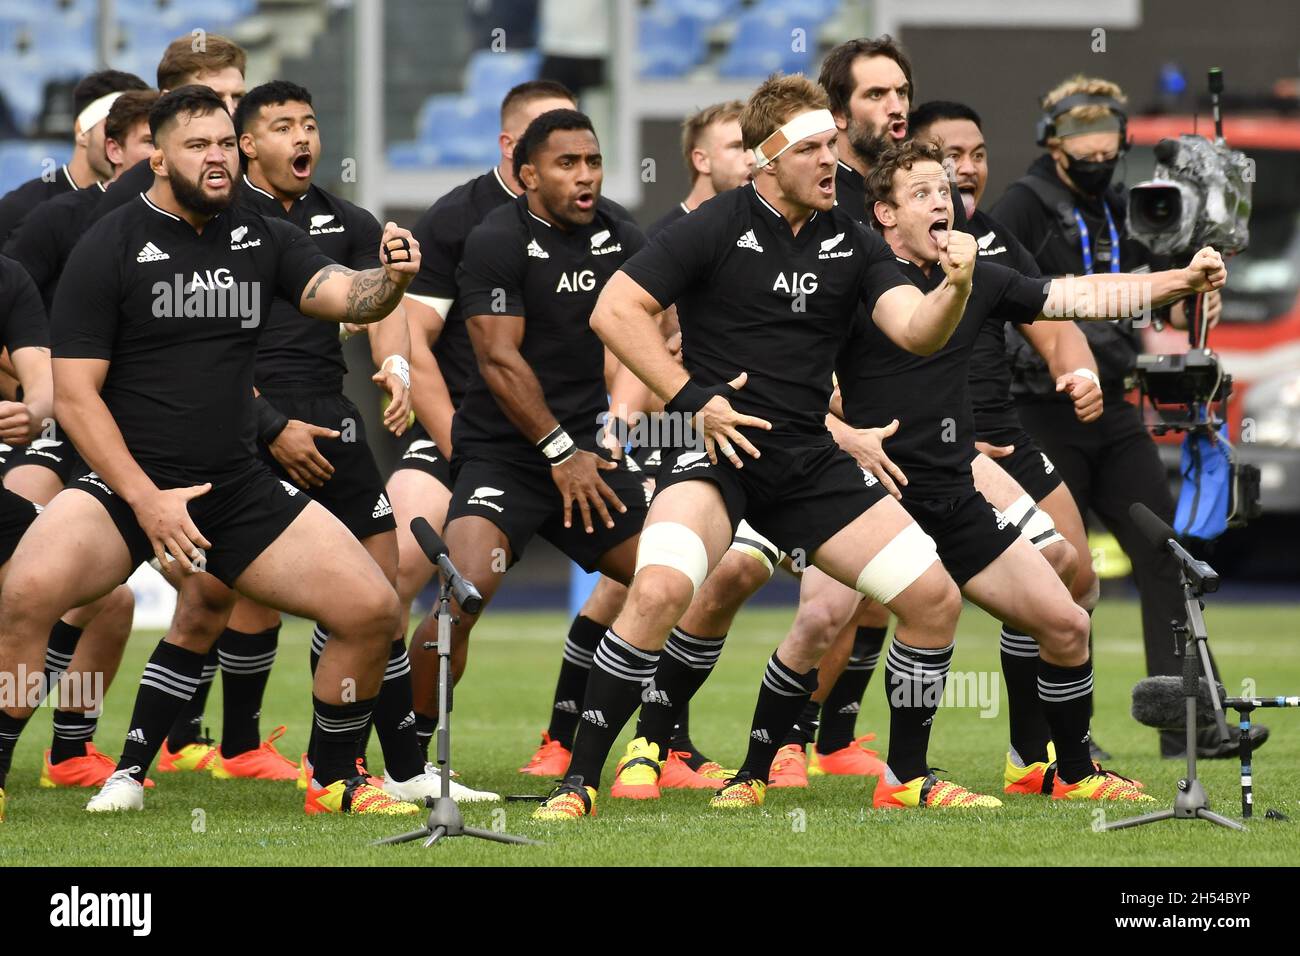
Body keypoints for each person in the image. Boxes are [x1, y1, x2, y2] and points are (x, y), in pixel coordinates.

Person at [533, 74, 979, 821]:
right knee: (660, 591)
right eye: (811, 149)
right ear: (769, 160)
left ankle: (906, 774)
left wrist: (956, 287)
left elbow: (914, 329)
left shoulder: (852, 239)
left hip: (805, 455)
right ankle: (577, 782)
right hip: (717, 450)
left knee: (935, 599)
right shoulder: (715, 225)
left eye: (832, 147)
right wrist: (690, 399)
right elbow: (616, 311)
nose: (829, 162)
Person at [758, 140, 1224, 810]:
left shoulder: (975, 272)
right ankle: (793, 764)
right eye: (921, 193)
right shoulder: (855, 277)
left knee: (1067, 624)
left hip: (952, 492)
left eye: (944, 190)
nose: (942, 200)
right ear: (884, 215)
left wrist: (1180, 279)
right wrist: (844, 433)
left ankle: (1067, 770)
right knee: (823, 619)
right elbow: (794, 378)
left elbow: (1074, 296)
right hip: (869, 497)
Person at [0, 86, 424, 819]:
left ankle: (332, 781)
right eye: (198, 146)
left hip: (234, 484)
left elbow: (341, 294)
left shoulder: (260, 233)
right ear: (158, 158)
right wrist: (144, 499)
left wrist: (391, 280)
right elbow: (74, 397)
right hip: (123, 485)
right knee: (26, 594)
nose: (217, 157)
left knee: (371, 608)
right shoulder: (111, 242)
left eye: (226, 143)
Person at [989, 75, 1261, 759]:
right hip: (1039, 411)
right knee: (1058, 570)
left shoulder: (1121, 206)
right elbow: (1003, 305)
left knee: (1165, 556)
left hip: (1114, 407)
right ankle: (1051, 740)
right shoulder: (1021, 207)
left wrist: (1193, 293)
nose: (1096, 145)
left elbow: (1156, 301)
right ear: (1052, 140)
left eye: (1107, 130)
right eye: (1081, 131)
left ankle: (1190, 725)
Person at [908, 99, 1113, 766]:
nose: (966, 169)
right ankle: (811, 745)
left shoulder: (993, 238)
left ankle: (1034, 750)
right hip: (926, 447)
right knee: (847, 610)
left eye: (977, 155)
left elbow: (1055, 317)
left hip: (1002, 436)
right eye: (949, 157)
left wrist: (1078, 371)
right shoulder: (886, 250)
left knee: (1077, 581)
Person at [0, 70, 150, 247]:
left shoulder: (157, 207)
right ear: (82, 132)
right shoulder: (20, 208)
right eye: (114, 127)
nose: (124, 142)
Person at [645, 100, 752, 239]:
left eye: (754, 147)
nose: (752, 158)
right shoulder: (661, 239)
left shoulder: (767, 230)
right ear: (702, 161)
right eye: (736, 146)